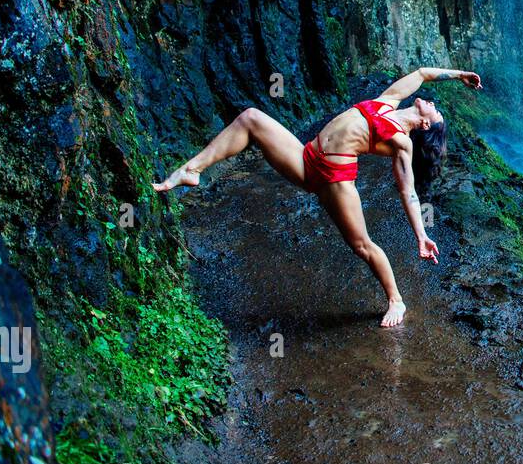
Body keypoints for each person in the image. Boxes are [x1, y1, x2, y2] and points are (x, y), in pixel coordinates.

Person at [152, 67, 483, 326]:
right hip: (305, 156)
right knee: (250, 118)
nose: (434, 104)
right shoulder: (389, 101)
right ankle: (191, 170)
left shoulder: (402, 142)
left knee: (362, 245)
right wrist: (459, 76)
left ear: (425, 126)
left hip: (333, 179)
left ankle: (396, 299)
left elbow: (407, 190)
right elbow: (424, 73)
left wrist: (421, 236)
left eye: (436, 113)